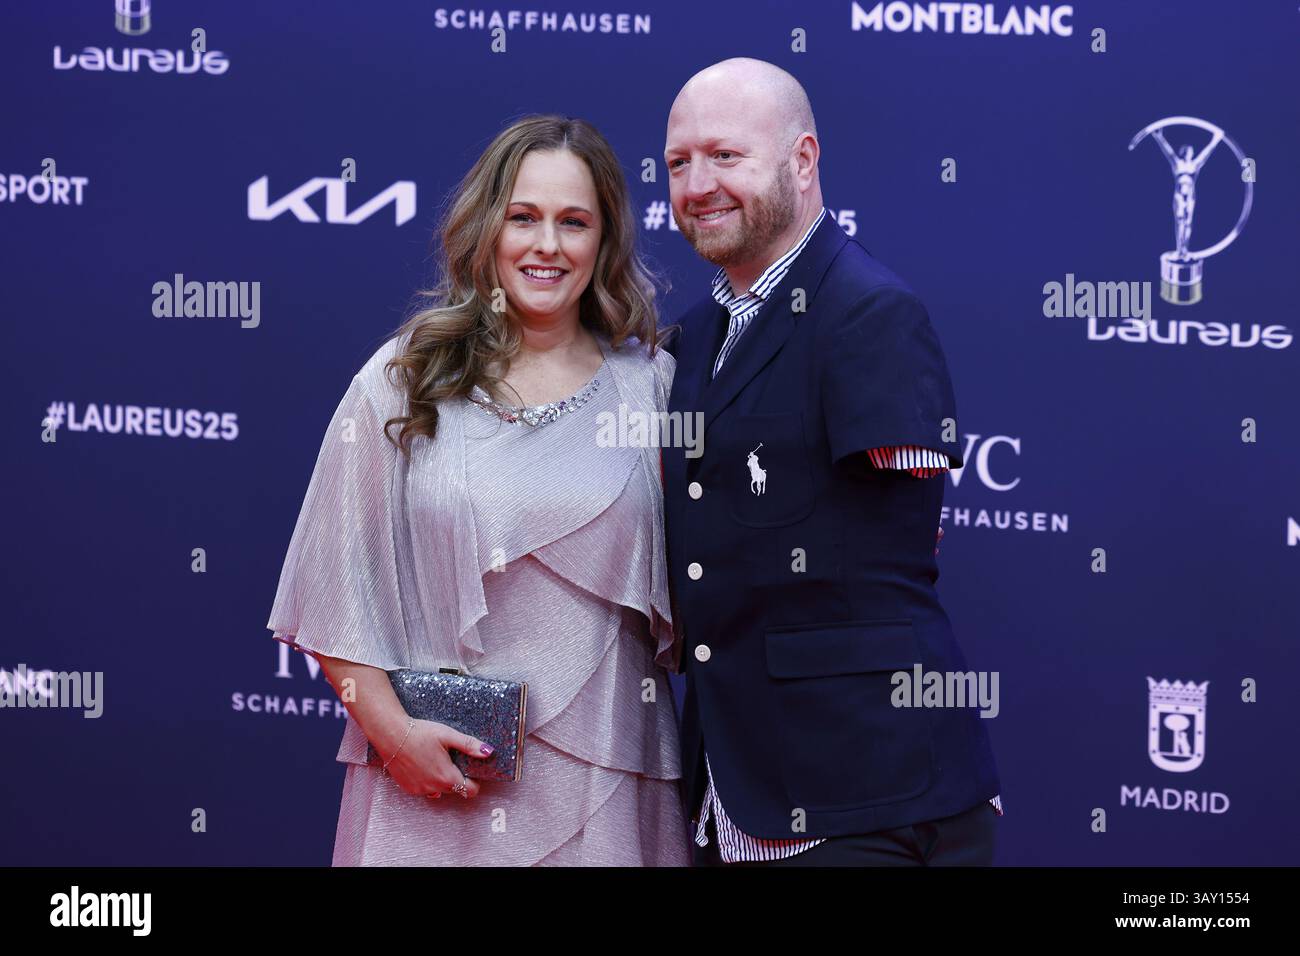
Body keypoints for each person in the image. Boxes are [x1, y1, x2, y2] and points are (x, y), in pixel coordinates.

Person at [267, 115, 690, 866]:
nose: (547, 246)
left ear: (605, 240)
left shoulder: (653, 391)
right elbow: (331, 593)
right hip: (430, 788)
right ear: (487, 227)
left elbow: (724, 562)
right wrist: (396, 739)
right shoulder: (404, 381)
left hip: (609, 782)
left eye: (574, 222)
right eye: (523, 218)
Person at [660, 58, 1003, 866]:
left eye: (725, 156)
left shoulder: (867, 309)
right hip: (733, 788)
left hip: (865, 798)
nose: (697, 183)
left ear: (803, 161)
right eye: (679, 163)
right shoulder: (693, 337)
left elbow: (902, 539)